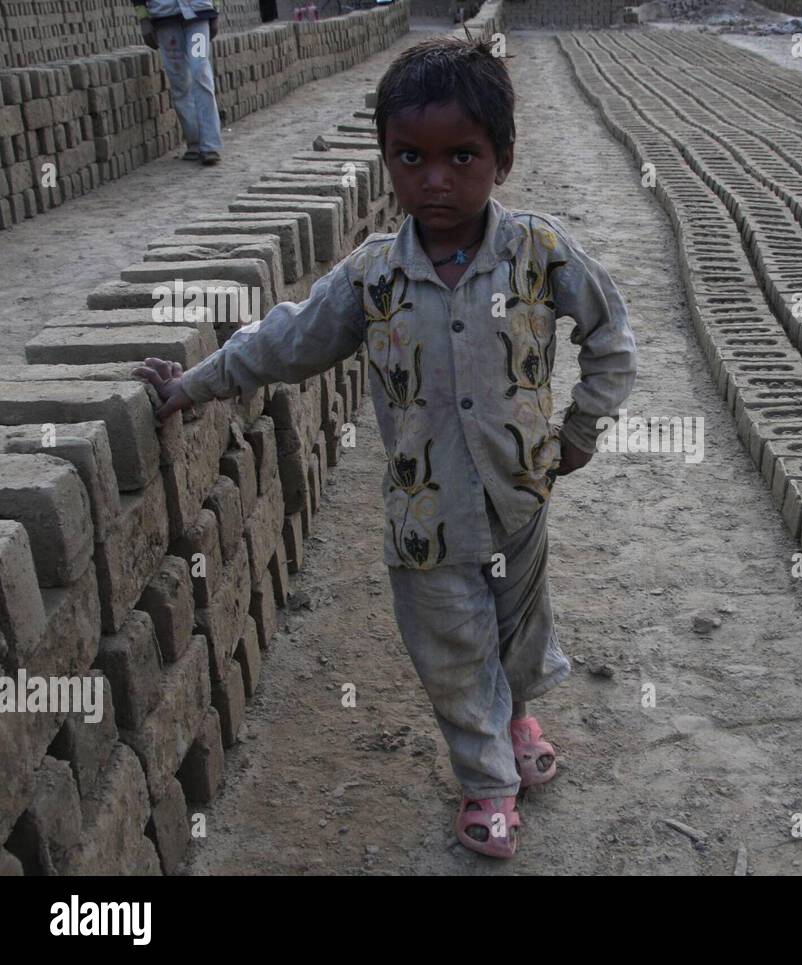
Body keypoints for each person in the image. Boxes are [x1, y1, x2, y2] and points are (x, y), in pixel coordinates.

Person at [133, 35, 638, 859]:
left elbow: (612, 336)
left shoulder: (540, 254)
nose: (435, 178)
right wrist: (193, 384)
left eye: (460, 156)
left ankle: (513, 717)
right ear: (386, 163)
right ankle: (485, 784)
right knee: (450, 649)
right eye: (411, 157)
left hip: (519, 499)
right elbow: (287, 340)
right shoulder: (373, 279)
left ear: (502, 161)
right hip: (426, 515)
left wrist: (581, 427)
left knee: (515, 628)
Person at [136, 0, 224, 165]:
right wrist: (143, 19)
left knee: (201, 73)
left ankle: (210, 145)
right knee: (179, 82)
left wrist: (216, 11)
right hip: (165, 17)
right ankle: (195, 142)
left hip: (198, 14)